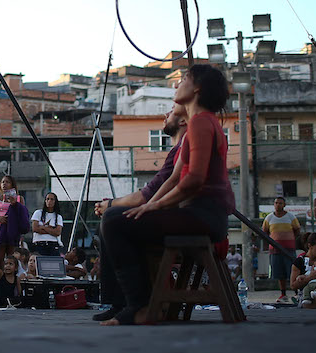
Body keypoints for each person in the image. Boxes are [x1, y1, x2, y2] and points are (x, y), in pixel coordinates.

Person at [99, 64, 235, 326]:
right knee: (121, 217)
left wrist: (153, 207)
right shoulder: (199, 124)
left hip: (204, 216)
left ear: (197, 88)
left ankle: (140, 307)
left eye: (183, 78)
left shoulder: (201, 123)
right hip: (201, 215)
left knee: (114, 222)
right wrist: (150, 206)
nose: (177, 84)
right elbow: (175, 178)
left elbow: (194, 181)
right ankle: (142, 303)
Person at [93, 104, 188, 321]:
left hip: (179, 219)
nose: (165, 115)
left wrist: (111, 205)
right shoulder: (178, 149)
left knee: (113, 219)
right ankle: (120, 302)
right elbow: (150, 193)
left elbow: (148, 194)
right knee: (112, 219)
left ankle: (137, 304)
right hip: (173, 214)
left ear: (183, 121)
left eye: (171, 111)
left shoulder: (185, 145)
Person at [262, 196, 301, 303]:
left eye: (280, 203)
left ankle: (297, 293)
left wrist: (291, 240)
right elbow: (264, 232)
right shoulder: (269, 218)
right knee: (279, 274)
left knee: (292, 271)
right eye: (276, 203)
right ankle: (283, 294)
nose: (278, 205)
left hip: (289, 249)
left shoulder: (291, 217)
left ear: (284, 205)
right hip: (275, 250)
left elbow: (297, 230)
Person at [0, 175, 29, 274]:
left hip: (13, 231)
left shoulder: (20, 199)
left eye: (7, 182)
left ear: (12, 185)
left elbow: (22, 215)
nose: (4, 184)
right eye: (3, 182)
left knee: (12, 260)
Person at [290, 233, 316, 309]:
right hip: (305, 294)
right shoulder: (299, 262)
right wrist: (310, 277)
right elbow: (293, 286)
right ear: (310, 246)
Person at [31, 192, 65, 256]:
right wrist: (51, 229)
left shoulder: (58, 217)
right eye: (47, 199)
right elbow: (35, 228)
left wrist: (43, 227)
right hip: (39, 244)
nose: (49, 201)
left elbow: (57, 232)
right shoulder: (38, 213)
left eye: (52, 199)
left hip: (53, 245)